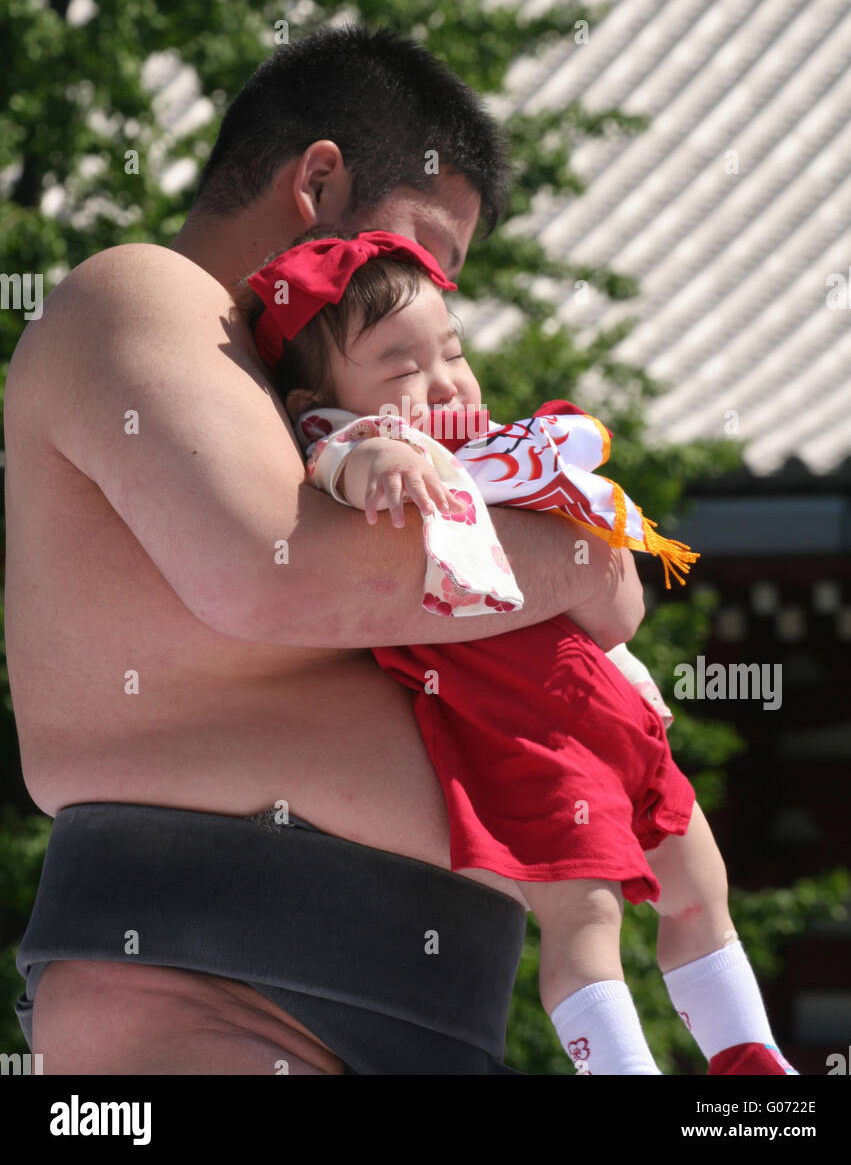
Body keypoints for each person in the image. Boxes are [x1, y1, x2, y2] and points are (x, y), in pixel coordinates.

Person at [7, 24, 646, 1075]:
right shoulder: (146, 293)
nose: (430, 306)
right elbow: (273, 572)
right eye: (421, 255)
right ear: (316, 182)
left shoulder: (317, 407)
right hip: (205, 983)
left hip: (412, 996)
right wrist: (579, 560)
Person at [236, 227, 800, 1077]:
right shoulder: (351, 447)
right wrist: (381, 455)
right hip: (523, 730)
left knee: (700, 885)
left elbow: (615, 608)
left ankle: (750, 1061)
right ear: (322, 398)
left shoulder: (494, 456)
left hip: (608, 702)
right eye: (401, 369)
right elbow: (342, 463)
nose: (442, 382)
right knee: (586, 917)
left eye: (451, 353)